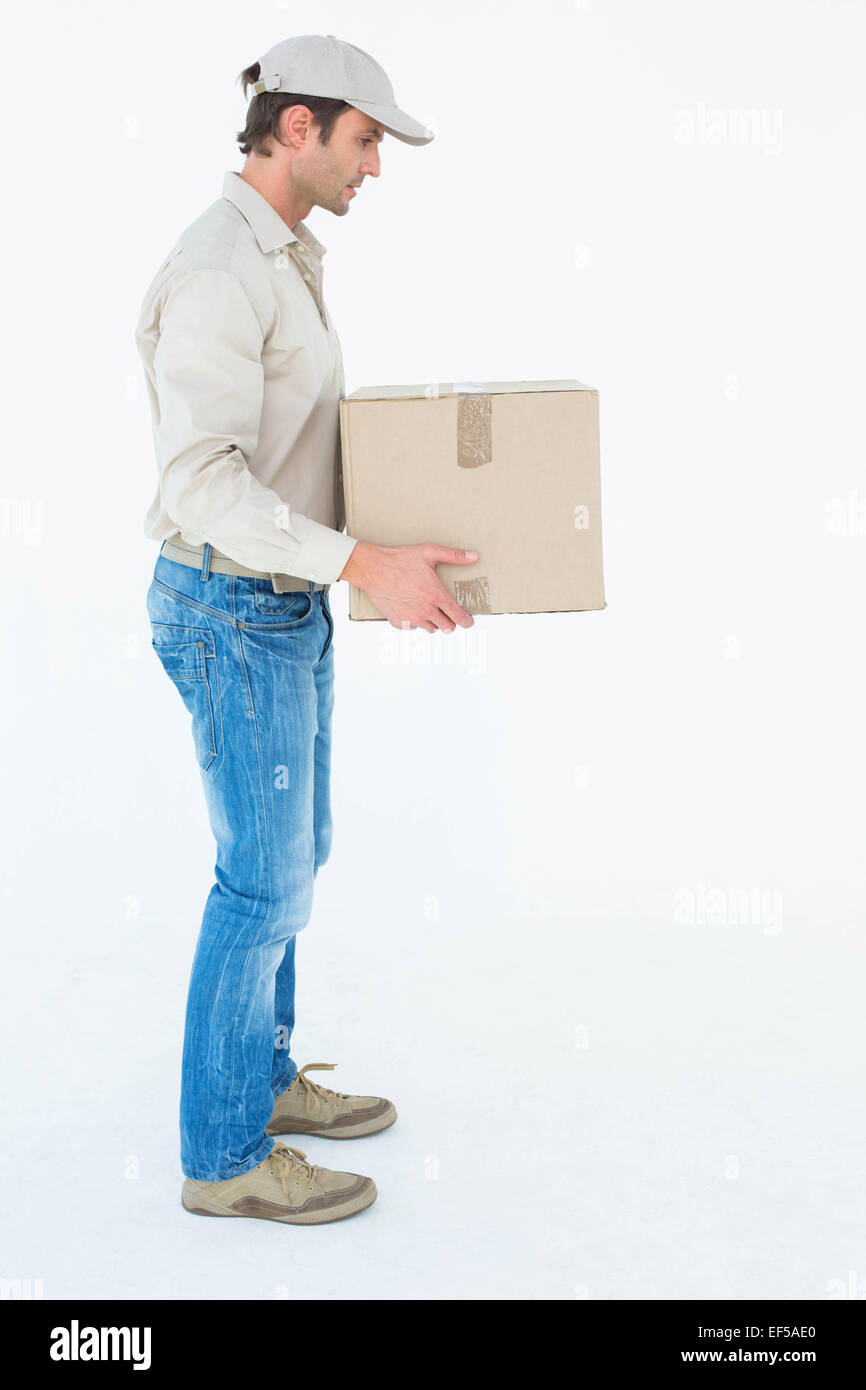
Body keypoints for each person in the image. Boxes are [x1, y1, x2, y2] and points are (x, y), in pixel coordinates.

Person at [135, 34, 479, 1225]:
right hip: (230, 605)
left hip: (278, 604)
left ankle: (262, 1079)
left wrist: (385, 539)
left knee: (295, 860)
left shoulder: (280, 258)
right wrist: (362, 561)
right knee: (259, 884)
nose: (374, 164)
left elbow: (288, 447)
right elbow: (202, 483)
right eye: (365, 137)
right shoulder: (222, 270)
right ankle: (223, 1156)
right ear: (298, 127)